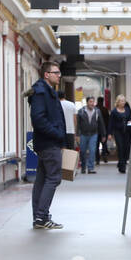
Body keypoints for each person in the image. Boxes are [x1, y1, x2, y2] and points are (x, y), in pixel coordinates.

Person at [29, 61, 67, 229]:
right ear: (47, 74)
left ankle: (39, 217)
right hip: (48, 142)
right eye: (56, 72)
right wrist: (57, 134)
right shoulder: (41, 92)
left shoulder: (46, 91)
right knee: (53, 178)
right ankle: (42, 216)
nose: (59, 75)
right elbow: (38, 119)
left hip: (47, 141)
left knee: (43, 178)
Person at [76, 96, 104, 174]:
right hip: (83, 134)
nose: (92, 103)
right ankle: (83, 167)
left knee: (92, 150)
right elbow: (78, 124)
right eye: (90, 102)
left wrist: (103, 135)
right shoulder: (81, 111)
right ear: (87, 102)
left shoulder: (97, 111)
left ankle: (91, 168)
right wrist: (77, 135)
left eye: (93, 102)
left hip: (93, 134)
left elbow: (101, 124)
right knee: (83, 151)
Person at [109, 95, 131, 174]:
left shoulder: (128, 110)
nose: (123, 102)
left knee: (126, 147)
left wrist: (130, 123)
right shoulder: (114, 112)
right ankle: (122, 166)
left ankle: (122, 162)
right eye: (121, 101)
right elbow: (111, 123)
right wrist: (109, 133)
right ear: (118, 102)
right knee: (120, 147)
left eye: (124, 101)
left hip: (127, 131)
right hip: (118, 132)